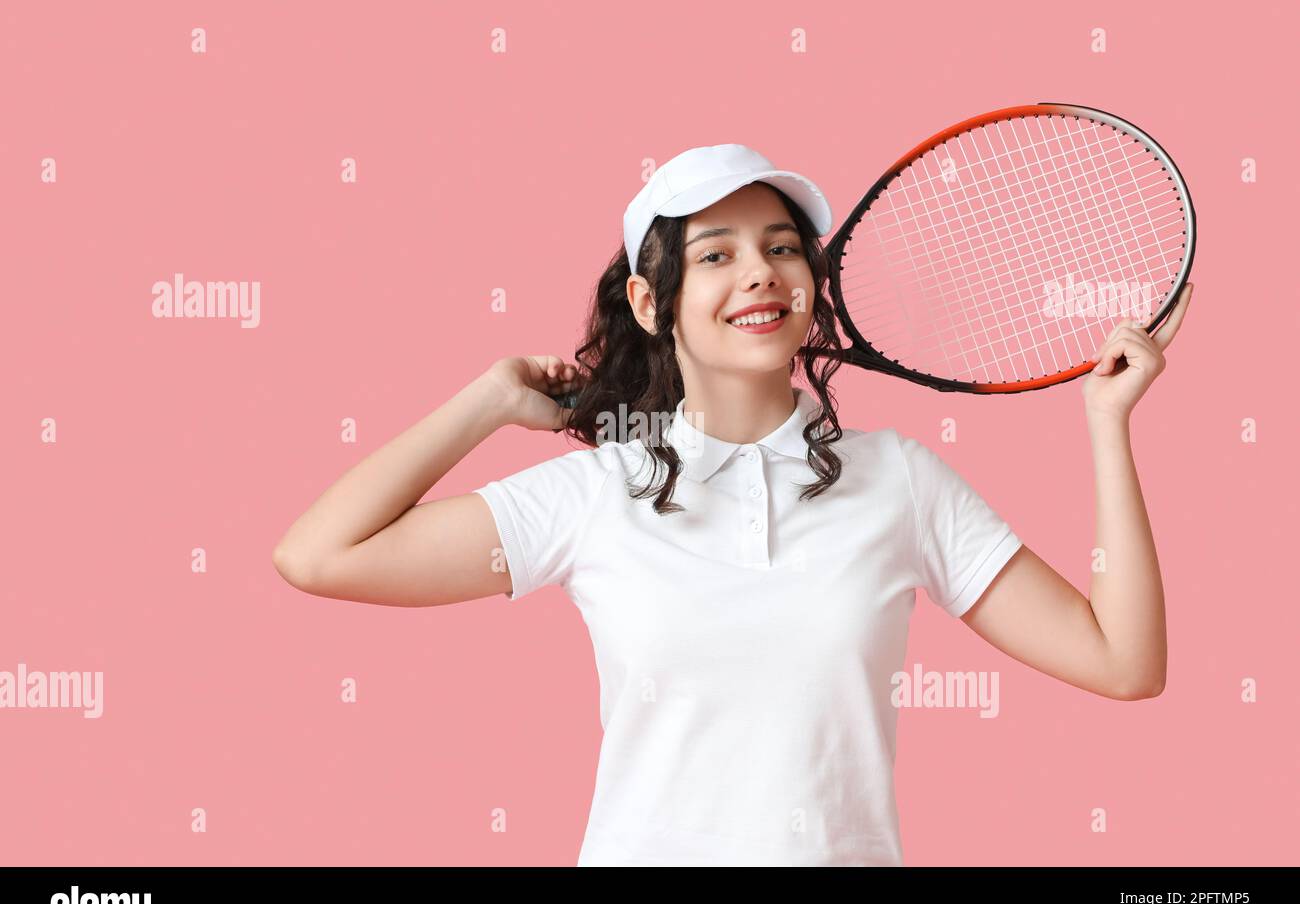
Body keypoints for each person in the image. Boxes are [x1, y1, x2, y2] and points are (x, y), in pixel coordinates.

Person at [272, 144, 1192, 866]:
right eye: (716, 254)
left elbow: (1123, 661)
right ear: (649, 299)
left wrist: (1108, 425)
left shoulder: (899, 482)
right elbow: (319, 555)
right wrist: (487, 401)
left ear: (809, 285)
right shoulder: (601, 492)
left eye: (781, 248)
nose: (759, 273)